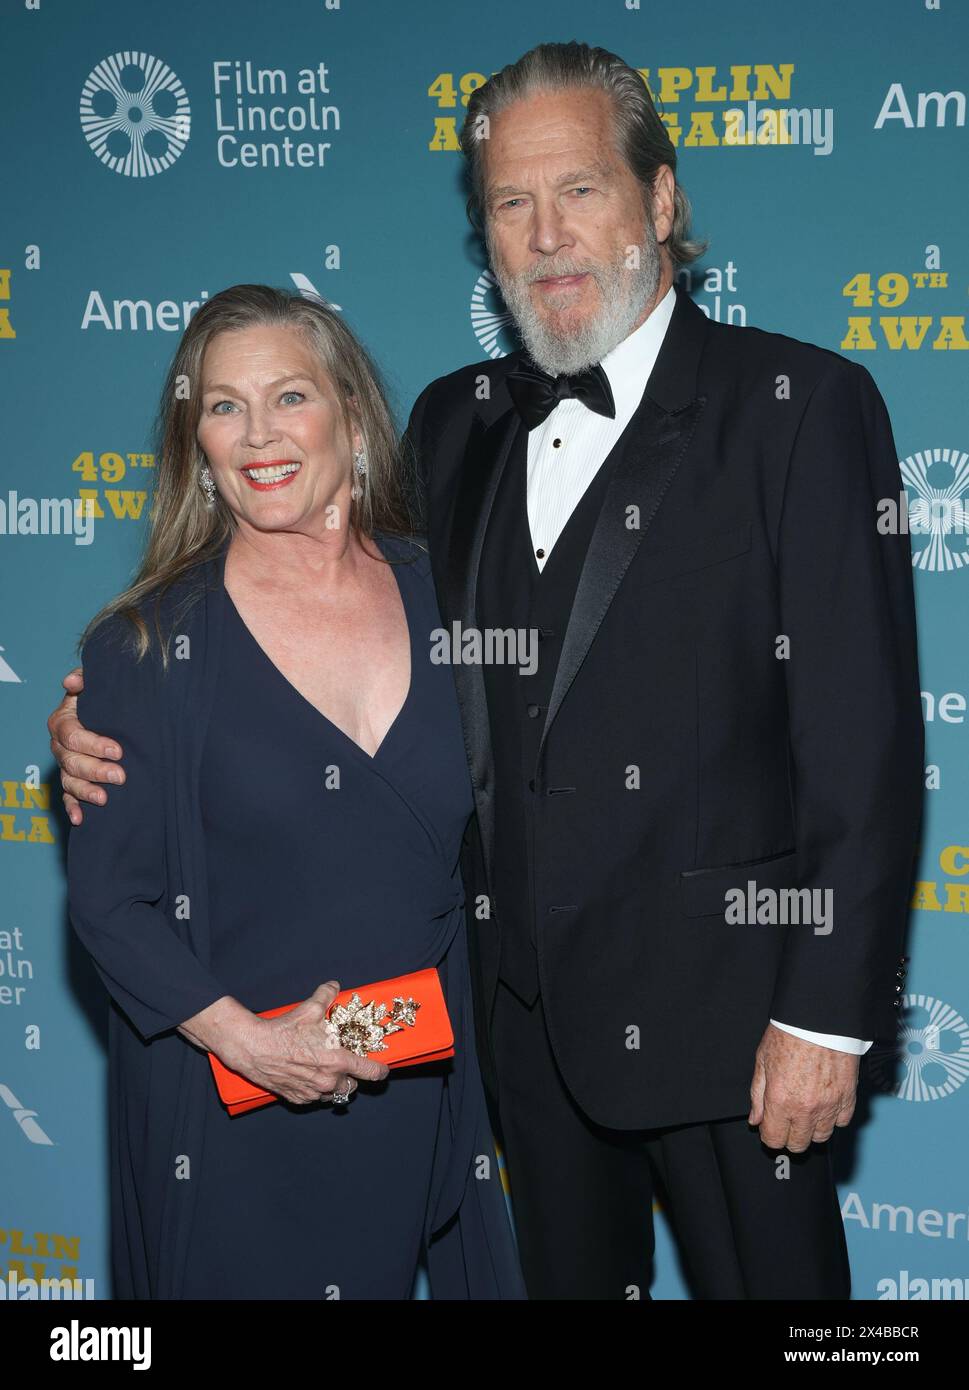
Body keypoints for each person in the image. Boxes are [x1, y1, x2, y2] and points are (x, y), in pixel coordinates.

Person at [51, 42, 924, 1301]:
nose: (546, 233)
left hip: (736, 1029)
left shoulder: (801, 407)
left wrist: (827, 1018)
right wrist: (101, 710)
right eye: (511, 203)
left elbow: (866, 742)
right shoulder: (456, 422)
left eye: (579, 190)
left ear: (663, 201)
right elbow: (323, 635)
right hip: (508, 1030)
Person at [58, 283, 525, 1301]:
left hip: (405, 1064)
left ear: (350, 418)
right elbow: (107, 900)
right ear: (198, 442)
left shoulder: (452, 598)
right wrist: (255, 1040)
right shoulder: (145, 647)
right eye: (223, 406)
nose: (258, 434)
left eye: (288, 397)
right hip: (226, 1097)